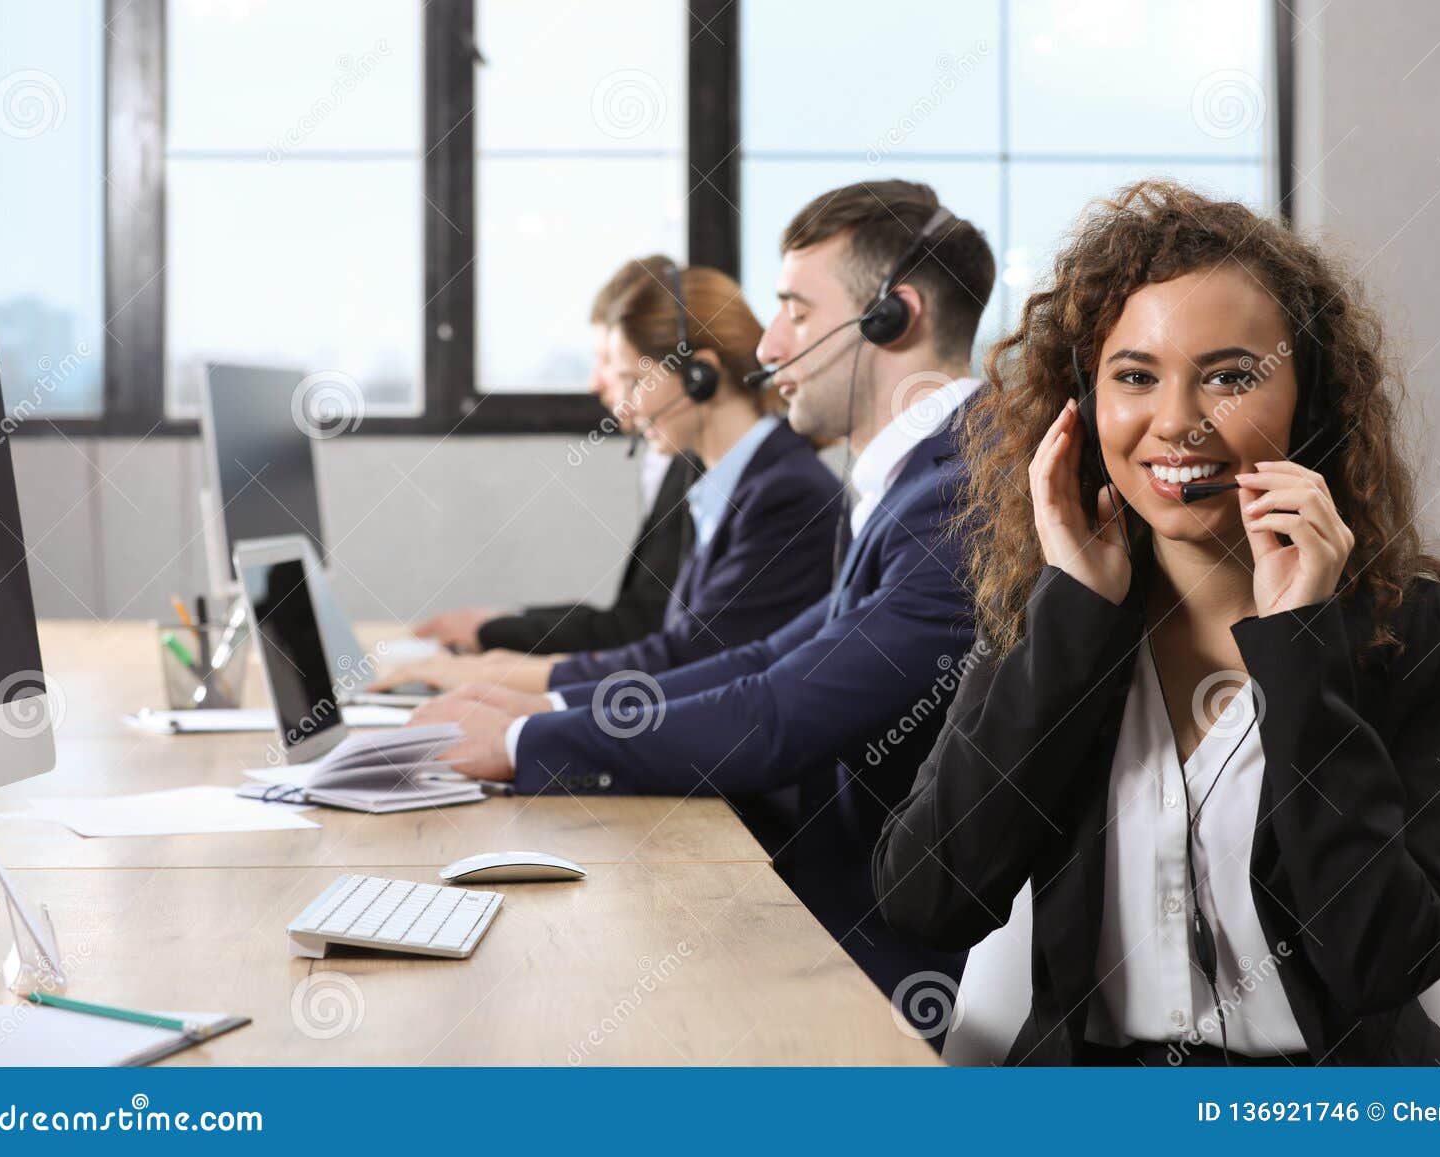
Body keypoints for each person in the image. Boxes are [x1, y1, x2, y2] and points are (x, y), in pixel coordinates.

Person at [872, 180, 1440, 1066]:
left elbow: (1382, 962)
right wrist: (1073, 624)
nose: (1177, 422)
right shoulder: (1048, 617)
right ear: (1083, 408)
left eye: (1230, 376)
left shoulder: (1434, 637)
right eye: (1135, 376)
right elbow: (927, 899)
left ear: (1309, 402)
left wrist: (1300, 648)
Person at [403, 180, 997, 1011]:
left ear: (891, 317)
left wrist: (525, 738)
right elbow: (768, 658)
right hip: (828, 899)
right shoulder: (917, 481)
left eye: (794, 307)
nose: (771, 341)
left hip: (877, 948)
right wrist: (540, 719)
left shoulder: (958, 494)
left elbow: (779, 711)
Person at [382, 265, 841, 693]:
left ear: (700, 374)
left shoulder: (786, 494)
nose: (627, 406)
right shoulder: (729, 483)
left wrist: (500, 675)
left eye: (633, 381)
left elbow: (689, 660)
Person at [413, 255, 700, 655]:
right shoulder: (668, 460)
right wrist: (503, 624)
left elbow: (638, 628)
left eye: (612, 364)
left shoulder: (699, 468)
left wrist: (497, 639)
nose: (596, 382)